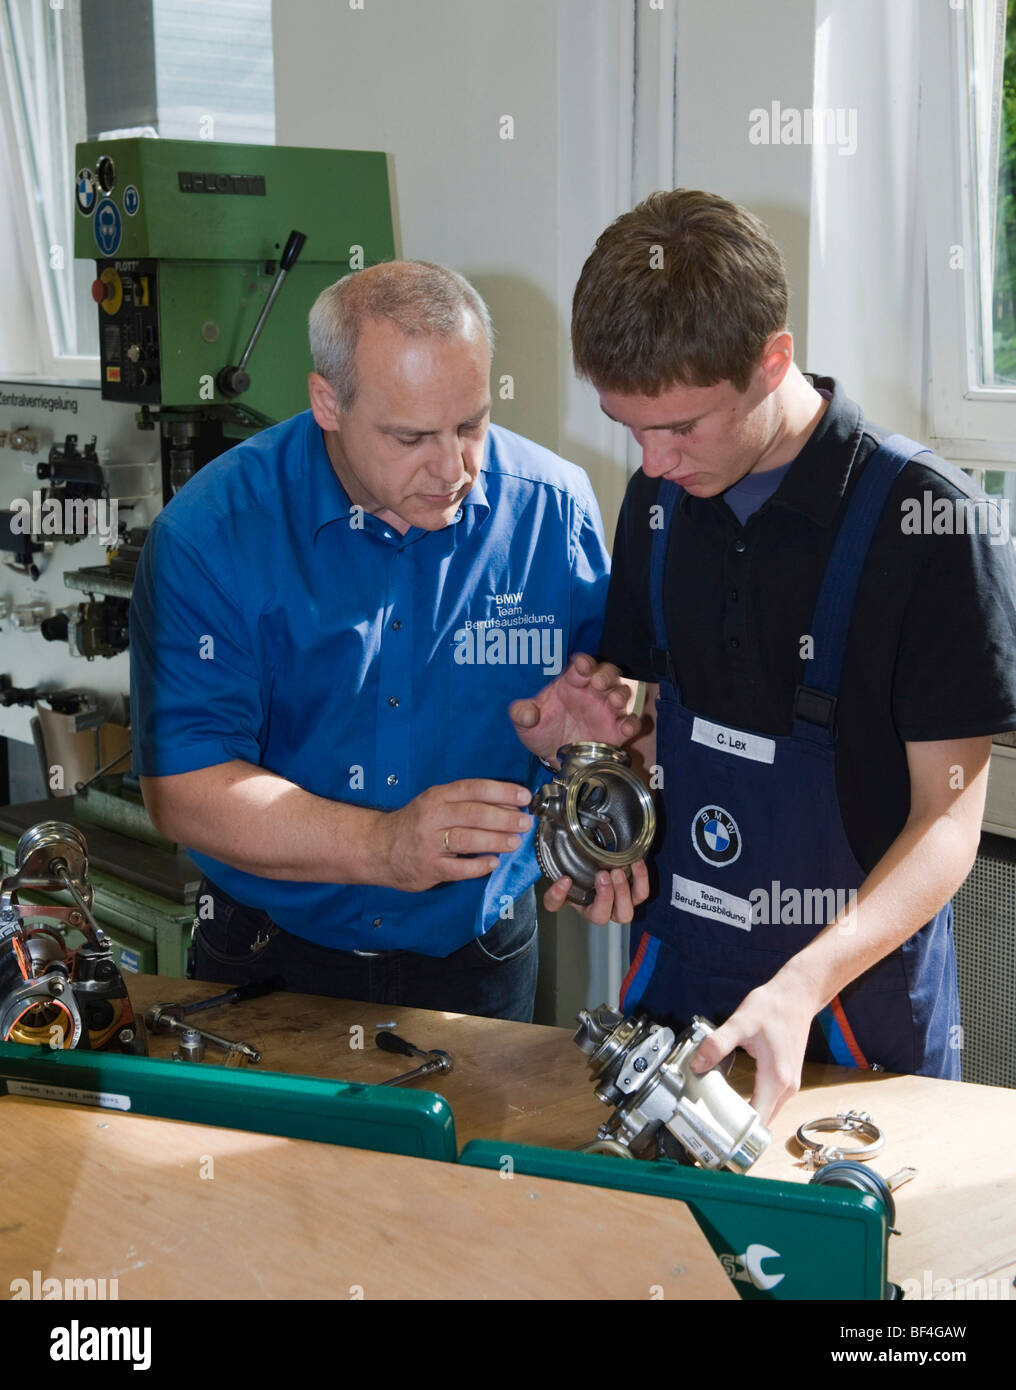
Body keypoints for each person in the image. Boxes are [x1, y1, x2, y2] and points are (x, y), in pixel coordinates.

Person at [557, 187, 1016, 1120]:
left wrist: (803, 983)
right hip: (679, 976)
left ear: (774, 361)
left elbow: (950, 822)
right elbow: (667, 735)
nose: (651, 463)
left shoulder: (929, 525)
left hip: (854, 1009)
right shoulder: (661, 498)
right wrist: (605, 799)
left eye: (681, 427)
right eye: (629, 426)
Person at [129, 260, 640, 1021]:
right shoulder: (214, 533)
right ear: (327, 401)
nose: (453, 468)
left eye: (472, 424)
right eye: (410, 437)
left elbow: (615, 725)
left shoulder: (552, 512)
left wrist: (593, 776)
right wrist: (383, 846)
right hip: (275, 955)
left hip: (482, 954)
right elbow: (184, 790)